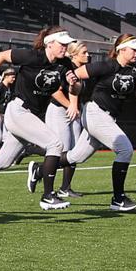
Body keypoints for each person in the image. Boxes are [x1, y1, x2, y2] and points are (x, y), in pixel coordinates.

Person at [0, 27, 76, 212]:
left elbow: (76, 88)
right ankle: (48, 195)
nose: (65, 46)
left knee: (3, 161)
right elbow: (1, 56)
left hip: (31, 116)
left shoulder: (65, 63)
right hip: (18, 111)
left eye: (67, 43)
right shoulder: (33, 56)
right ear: (49, 43)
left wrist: (75, 84)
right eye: (62, 43)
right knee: (55, 145)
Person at [66, 35, 136, 211]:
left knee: (76, 157)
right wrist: (73, 102)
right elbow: (73, 76)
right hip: (94, 113)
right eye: (134, 49)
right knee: (125, 149)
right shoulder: (106, 65)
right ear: (122, 49)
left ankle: (40, 169)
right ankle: (118, 199)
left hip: (107, 117)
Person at [47, 40, 89, 198]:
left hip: (74, 112)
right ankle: (37, 167)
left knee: (75, 152)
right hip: (59, 110)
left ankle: (65, 187)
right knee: (61, 149)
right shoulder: (65, 67)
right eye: (83, 52)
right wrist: (70, 105)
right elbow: (55, 91)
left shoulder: (82, 71)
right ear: (73, 54)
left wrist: (76, 107)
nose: (87, 55)